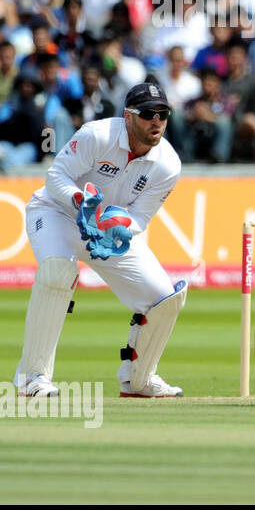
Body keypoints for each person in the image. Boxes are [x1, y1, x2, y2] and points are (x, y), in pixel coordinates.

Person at [15, 82, 186, 399]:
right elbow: (55, 177)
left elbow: (140, 217)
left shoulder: (169, 164)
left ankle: (139, 381)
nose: (156, 121)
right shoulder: (97, 135)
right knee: (58, 272)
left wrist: (119, 230)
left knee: (164, 298)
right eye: (148, 113)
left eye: (162, 114)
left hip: (104, 229)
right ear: (128, 116)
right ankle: (32, 378)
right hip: (57, 213)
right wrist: (79, 200)